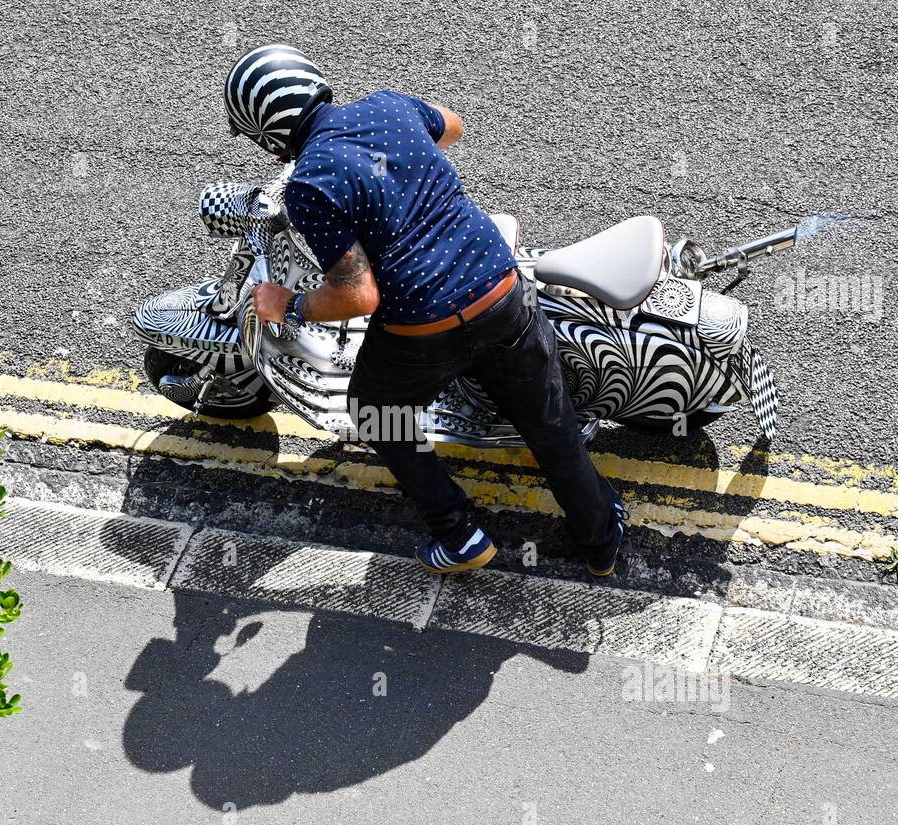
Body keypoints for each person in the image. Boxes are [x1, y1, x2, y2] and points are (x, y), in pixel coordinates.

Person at [228, 44, 625, 576]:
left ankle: (458, 532)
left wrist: (290, 303)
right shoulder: (387, 108)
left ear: (269, 132)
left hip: (424, 328)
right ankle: (600, 543)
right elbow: (453, 128)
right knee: (550, 422)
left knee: (372, 407)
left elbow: (358, 296)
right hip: (500, 292)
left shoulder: (310, 186)